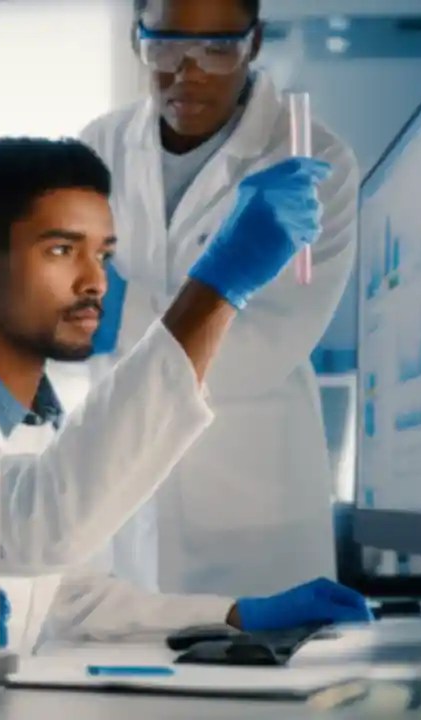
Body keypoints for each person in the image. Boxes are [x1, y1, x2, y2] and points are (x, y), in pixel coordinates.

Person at [0, 137, 370, 654]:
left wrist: (235, 615)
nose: (96, 281)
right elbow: (43, 524)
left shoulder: (36, 418)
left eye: (104, 255)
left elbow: (71, 599)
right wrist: (216, 286)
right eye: (63, 250)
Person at [78, 0, 359, 598]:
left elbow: (261, 353)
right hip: (120, 501)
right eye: (167, 45)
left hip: (253, 527)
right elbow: (58, 319)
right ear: (137, 38)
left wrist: (119, 313)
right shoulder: (97, 148)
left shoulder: (313, 163)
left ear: (254, 42)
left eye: (218, 49)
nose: (190, 71)